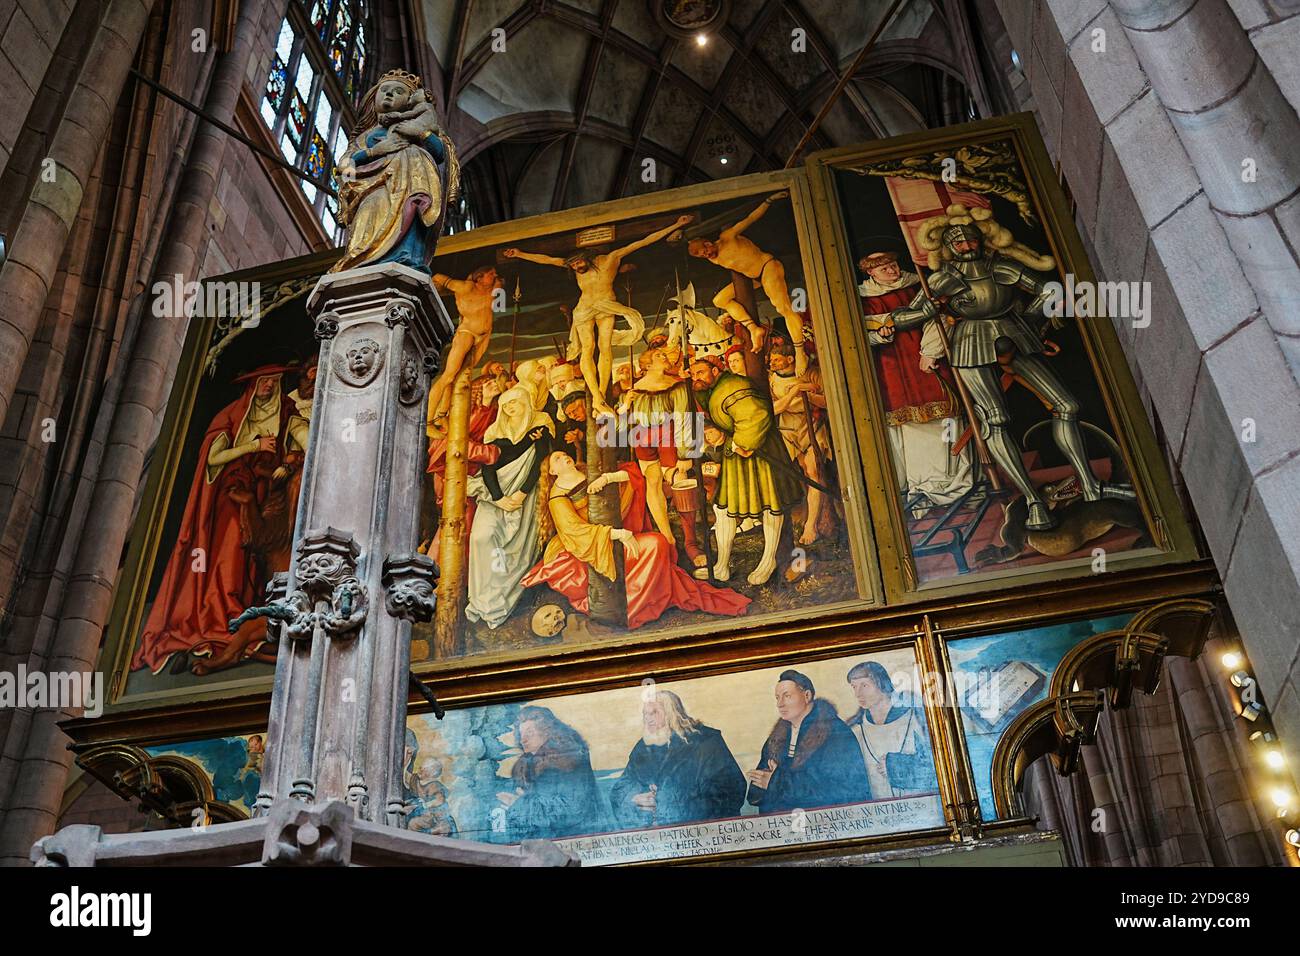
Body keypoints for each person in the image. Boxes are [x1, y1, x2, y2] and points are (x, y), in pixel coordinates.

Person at [881, 214, 1134, 531]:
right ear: (948, 247)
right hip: (970, 343)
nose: (966, 245)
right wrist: (925, 311)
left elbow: (1048, 290)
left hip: (1014, 334)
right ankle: (1033, 501)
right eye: (958, 241)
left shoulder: (1001, 266)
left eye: (970, 238)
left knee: (1067, 405)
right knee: (996, 420)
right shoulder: (944, 278)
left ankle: (1091, 485)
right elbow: (903, 317)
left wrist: (1030, 323)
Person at [133, 364, 299, 675]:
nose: (268, 387)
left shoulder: (285, 411)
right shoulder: (229, 417)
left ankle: (240, 613)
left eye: (274, 382)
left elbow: (298, 433)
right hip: (229, 499)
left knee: (253, 560)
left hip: (263, 497)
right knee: (228, 554)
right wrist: (254, 446)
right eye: (263, 382)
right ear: (252, 386)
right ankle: (219, 614)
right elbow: (213, 458)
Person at [521, 452, 751, 629]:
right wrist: (620, 534)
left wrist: (609, 477)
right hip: (585, 552)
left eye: (564, 454)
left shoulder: (590, 472)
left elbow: (633, 476)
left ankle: (648, 597)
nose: (564, 457)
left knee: (658, 543)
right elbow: (575, 533)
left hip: (610, 540)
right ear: (551, 471)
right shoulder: (557, 498)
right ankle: (635, 607)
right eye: (557, 459)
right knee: (655, 544)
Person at [503, 214, 693, 415]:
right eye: (574, 266)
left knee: (604, 348)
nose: (577, 268)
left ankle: (602, 393)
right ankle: (597, 397)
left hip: (606, 305)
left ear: (588, 258)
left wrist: (676, 224)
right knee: (587, 348)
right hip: (585, 307)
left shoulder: (611, 259)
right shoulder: (574, 268)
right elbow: (547, 260)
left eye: (578, 264)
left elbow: (642, 242)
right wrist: (519, 254)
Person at [858, 251, 972, 506]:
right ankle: (918, 487)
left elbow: (943, 318)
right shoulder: (862, 298)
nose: (891, 270)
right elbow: (859, 334)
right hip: (892, 370)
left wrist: (931, 352)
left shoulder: (918, 284)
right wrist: (881, 334)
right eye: (883, 268)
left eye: (893, 264)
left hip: (927, 364)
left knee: (942, 419)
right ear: (870, 272)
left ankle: (949, 485)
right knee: (905, 429)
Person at [689, 357, 803, 586]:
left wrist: (742, 441)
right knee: (723, 509)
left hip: (759, 452)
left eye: (700, 372)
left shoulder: (735, 385)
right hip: (736, 455)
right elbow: (709, 402)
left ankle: (769, 560)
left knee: (770, 506)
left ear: (715, 370)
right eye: (693, 374)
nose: (696, 378)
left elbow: (757, 414)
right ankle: (721, 565)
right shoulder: (715, 388)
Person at [330, 70, 459, 273]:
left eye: (398, 91)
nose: (389, 94)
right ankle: (360, 264)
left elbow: (441, 153)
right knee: (369, 223)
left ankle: (406, 258)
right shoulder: (364, 137)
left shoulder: (419, 124)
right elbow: (344, 168)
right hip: (372, 191)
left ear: (410, 102)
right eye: (384, 90)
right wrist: (373, 152)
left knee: (412, 212)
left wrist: (422, 133)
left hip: (412, 184)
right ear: (374, 98)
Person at [464, 386, 553, 628]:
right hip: (495, 494)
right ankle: (482, 600)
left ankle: (500, 602)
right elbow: (489, 466)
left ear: (526, 402)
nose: (510, 407)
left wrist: (522, 493)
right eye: (506, 404)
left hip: (526, 494)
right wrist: (499, 497)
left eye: (515, 402)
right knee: (482, 537)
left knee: (517, 549)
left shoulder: (541, 426)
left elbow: (539, 463)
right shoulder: (495, 430)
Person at [687, 191, 807, 370]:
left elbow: (750, 218)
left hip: (768, 267)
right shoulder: (713, 258)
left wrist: (768, 201)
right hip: (754, 278)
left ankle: (800, 352)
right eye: (701, 255)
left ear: (707, 242)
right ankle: (753, 329)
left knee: (783, 308)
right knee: (719, 300)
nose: (706, 254)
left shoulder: (728, 237)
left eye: (704, 249)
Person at [609, 689, 746, 829]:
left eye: (654, 712)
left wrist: (670, 802)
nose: (647, 719)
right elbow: (621, 789)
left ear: (671, 713)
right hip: (656, 836)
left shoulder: (706, 742)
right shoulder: (642, 748)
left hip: (700, 833)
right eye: (645, 713)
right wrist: (634, 798)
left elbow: (731, 791)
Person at [746, 670, 871, 814]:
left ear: (807, 696)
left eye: (787, 696)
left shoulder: (835, 733)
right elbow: (758, 787)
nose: (780, 704)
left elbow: (838, 790)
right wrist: (767, 782)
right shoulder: (777, 737)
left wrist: (775, 782)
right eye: (777, 698)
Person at [498, 706, 605, 839]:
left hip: (576, 837)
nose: (522, 739)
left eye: (529, 732)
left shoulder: (567, 759)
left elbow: (572, 809)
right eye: (521, 733)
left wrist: (521, 805)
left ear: (547, 731)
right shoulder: (527, 763)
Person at [767, 345, 831, 547]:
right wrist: (795, 391)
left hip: (811, 425)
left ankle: (811, 525)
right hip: (788, 429)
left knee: (814, 471)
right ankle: (810, 516)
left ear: (790, 359)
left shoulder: (810, 373)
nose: (772, 363)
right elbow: (772, 409)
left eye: (776, 360)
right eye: (772, 360)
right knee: (802, 473)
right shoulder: (771, 379)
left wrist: (810, 396)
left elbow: (828, 401)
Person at [426, 265, 505, 427]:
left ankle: (442, 415)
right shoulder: (466, 287)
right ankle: (427, 420)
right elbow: (440, 276)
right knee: (448, 376)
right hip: (467, 333)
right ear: (479, 277)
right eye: (491, 274)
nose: (495, 276)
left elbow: (500, 306)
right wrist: (431, 283)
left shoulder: (495, 287)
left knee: (459, 378)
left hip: (484, 336)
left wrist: (498, 287)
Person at [844, 661, 936, 799]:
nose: (858, 693)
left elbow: (936, 765)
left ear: (882, 683)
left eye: (864, 685)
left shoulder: (916, 717)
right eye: (854, 687)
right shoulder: (855, 729)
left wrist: (896, 766)